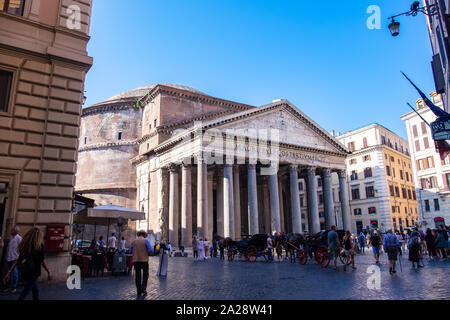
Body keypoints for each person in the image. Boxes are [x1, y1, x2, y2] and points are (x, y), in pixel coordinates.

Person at [3, 228, 51, 300]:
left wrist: (9, 271)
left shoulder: (25, 245)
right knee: (26, 291)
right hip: (34, 272)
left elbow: (18, 259)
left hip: (24, 271)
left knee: (34, 289)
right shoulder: (39, 246)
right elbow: (42, 261)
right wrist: (48, 271)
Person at [129, 230, 153, 296]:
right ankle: (143, 288)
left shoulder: (133, 241)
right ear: (144, 235)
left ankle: (138, 290)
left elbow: (130, 251)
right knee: (145, 275)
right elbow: (151, 250)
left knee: (137, 276)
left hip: (136, 261)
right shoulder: (146, 241)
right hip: (144, 260)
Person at [2, 226, 22, 294]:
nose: (10, 231)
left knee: (14, 273)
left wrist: (19, 256)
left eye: (12, 230)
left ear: (15, 231)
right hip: (9, 258)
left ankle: (14, 287)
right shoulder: (12, 238)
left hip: (15, 258)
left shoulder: (19, 238)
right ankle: (10, 286)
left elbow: (21, 248)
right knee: (9, 273)